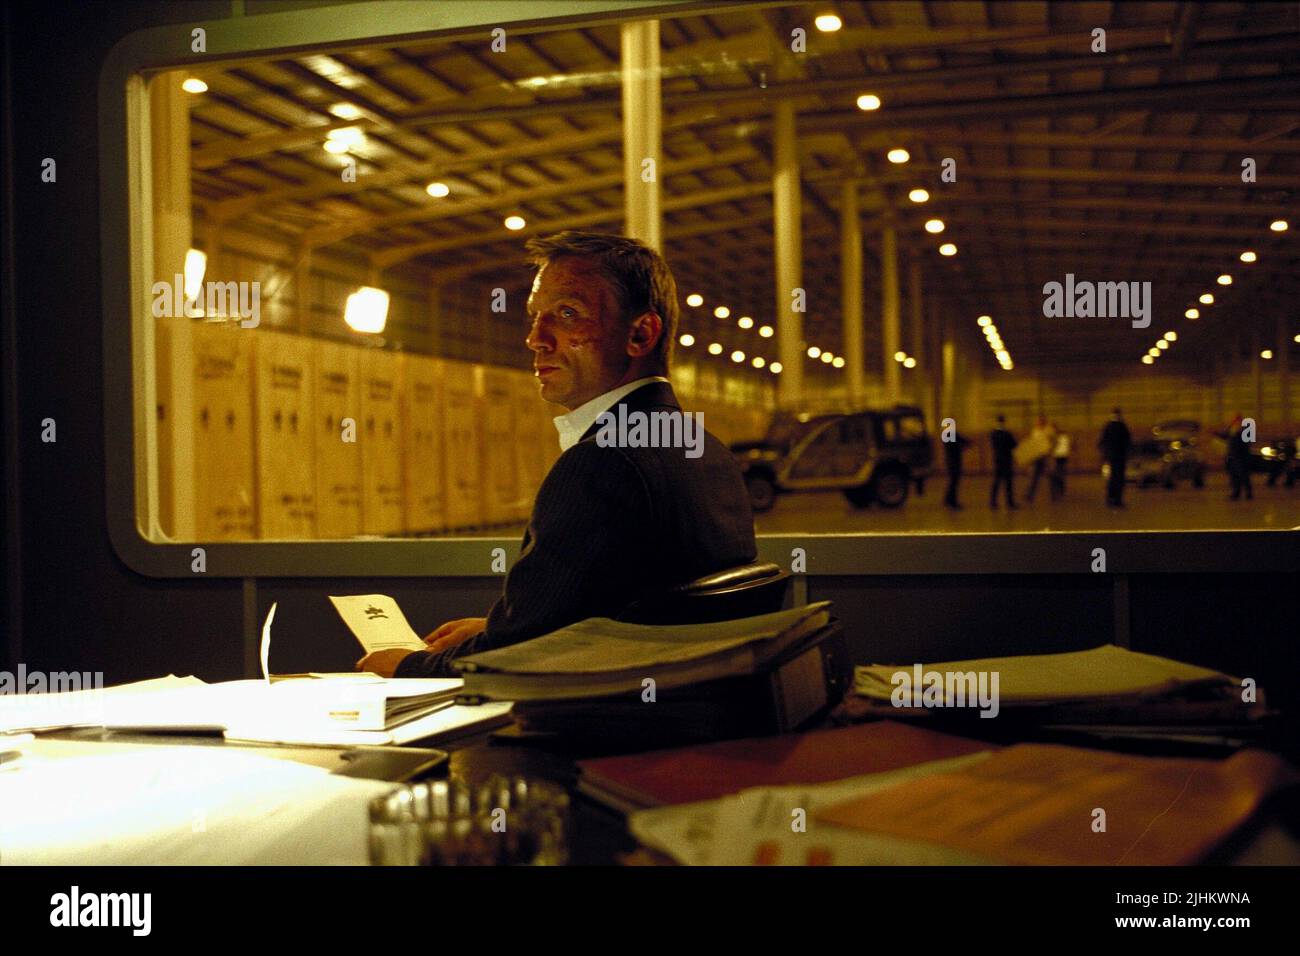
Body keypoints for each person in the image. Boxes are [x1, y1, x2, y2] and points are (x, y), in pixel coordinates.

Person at [359, 231, 757, 678]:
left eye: (568, 314)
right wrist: (499, 628)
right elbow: (616, 614)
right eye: (534, 317)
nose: (535, 339)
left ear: (641, 334)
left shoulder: (603, 463)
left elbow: (514, 663)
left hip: (604, 733)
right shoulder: (705, 448)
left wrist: (409, 667)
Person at [1098, 407, 1132, 508]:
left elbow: (1102, 442)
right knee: (1119, 478)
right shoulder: (1122, 426)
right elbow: (1128, 441)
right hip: (1120, 457)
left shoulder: (1107, 426)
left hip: (1111, 457)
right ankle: (1117, 500)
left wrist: (1104, 454)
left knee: (1111, 478)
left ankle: (1109, 499)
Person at [1024, 415, 1056, 503]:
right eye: (1037, 421)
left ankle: (1054, 494)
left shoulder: (1049, 430)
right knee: (1033, 477)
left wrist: (1050, 451)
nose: (1038, 422)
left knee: (1050, 476)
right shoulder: (1035, 430)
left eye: (1040, 421)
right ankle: (1029, 495)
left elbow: (1053, 441)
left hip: (1045, 456)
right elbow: (1032, 442)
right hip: (1037, 456)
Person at [989, 415, 1018, 509]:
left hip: (997, 460)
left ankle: (993, 502)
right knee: (1008, 482)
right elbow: (1014, 445)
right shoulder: (1007, 434)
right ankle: (1010, 502)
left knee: (996, 481)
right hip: (1007, 460)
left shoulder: (993, 434)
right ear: (1004, 422)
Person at [1225, 414, 1254, 501]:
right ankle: (1236, 492)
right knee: (1234, 476)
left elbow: (1247, 443)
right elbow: (1226, 437)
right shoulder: (1232, 429)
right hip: (1232, 457)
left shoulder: (1245, 430)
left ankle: (1248, 493)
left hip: (1242, 457)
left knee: (1244, 475)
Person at [942, 429, 970, 509]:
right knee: (954, 482)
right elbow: (961, 444)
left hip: (951, 462)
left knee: (953, 482)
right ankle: (952, 502)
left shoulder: (948, 438)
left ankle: (948, 499)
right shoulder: (952, 440)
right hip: (954, 462)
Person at [1049, 428, 1071, 501]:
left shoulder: (1058, 438)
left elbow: (1052, 447)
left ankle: (1057, 493)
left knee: (1056, 475)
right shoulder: (1065, 438)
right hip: (1062, 457)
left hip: (1058, 457)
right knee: (1059, 475)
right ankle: (1059, 492)